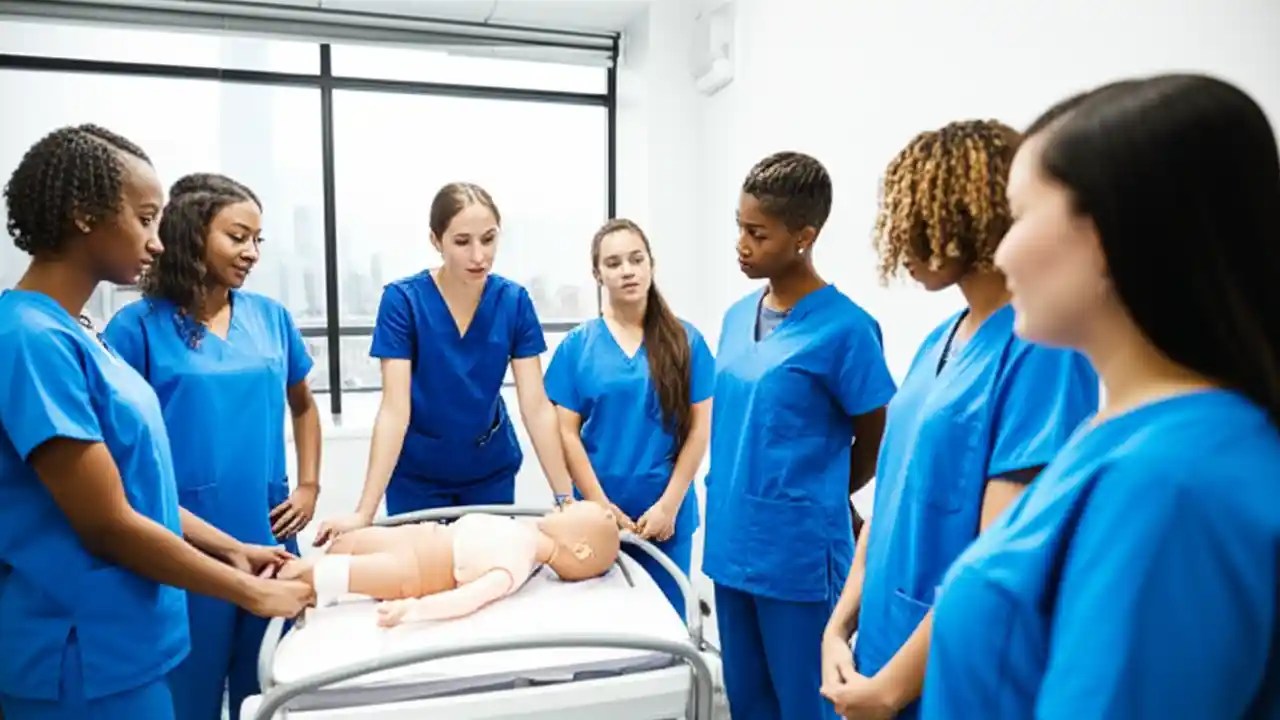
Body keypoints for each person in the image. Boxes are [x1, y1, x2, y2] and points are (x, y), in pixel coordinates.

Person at [920, 74, 1280, 719]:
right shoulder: (1128, 435)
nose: (1001, 251)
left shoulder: (1170, 483)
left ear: (1111, 233)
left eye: (1020, 216)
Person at [0, 124, 314, 720]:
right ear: (83, 214)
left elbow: (140, 491)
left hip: (133, 642)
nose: (158, 241)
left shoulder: (80, 333)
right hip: (80, 656)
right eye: (145, 219)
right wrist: (250, 589)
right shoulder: (29, 339)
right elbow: (109, 524)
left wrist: (235, 549)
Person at [817, 120, 1100, 719]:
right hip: (883, 647)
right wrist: (839, 627)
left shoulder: (1042, 353)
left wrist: (892, 687)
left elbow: (1003, 556)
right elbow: (889, 501)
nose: (901, 239)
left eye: (919, 217)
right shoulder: (934, 345)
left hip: (956, 675)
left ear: (970, 214)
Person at [102, 172, 322, 720]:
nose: (251, 252)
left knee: (269, 692)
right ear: (193, 234)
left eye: (257, 240)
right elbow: (119, 454)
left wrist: (310, 485)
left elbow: (303, 405)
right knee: (189, 698)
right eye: (237, 236)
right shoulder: (136, 329)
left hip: (268, 535)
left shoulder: (271, 318)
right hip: (182, 541)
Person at [704, 151, 898, 720]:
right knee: (748, 702)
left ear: (804, 236)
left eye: (757, 233)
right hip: (731, 539)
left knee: (805, 704)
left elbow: (874, 440)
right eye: (739, 227)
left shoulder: (847, 330)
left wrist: (815, 496)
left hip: (798, 554)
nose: (741, 243)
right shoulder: (738, 316)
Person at [315, 182, 574, 543]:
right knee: (419, 578)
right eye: (462, 241)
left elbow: (536, 406)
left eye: (488, 239)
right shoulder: (403, 301)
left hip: (489, 471)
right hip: (418, 475)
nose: (478, 255)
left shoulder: (513, 301)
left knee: (487, 576)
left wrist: (565, 499)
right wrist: (364, 513)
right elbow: (394, 409)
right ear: (436, 241)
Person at [543, 218, 714, 616]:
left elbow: (699, 429)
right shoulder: (578, 346)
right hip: (595, 519)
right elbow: (566, 435)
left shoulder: (687, 342)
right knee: (607, 629)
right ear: (597, 274)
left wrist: (669, 506)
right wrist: (602, 508)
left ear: (651, 264)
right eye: (614, 263)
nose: (627, 271)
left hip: (666, 516)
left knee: (668, 626)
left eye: (636, 259)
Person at [278, 500, 621, 626]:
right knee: (343, 545)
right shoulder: (527, 537)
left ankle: (279, 584)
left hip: (412, 573)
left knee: (318, 573)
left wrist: (412, 609)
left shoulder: (516, 567)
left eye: (575, 509)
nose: (566, 503)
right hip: (419, 536)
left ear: (580, 550)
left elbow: (466, 600)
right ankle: (303, 586)